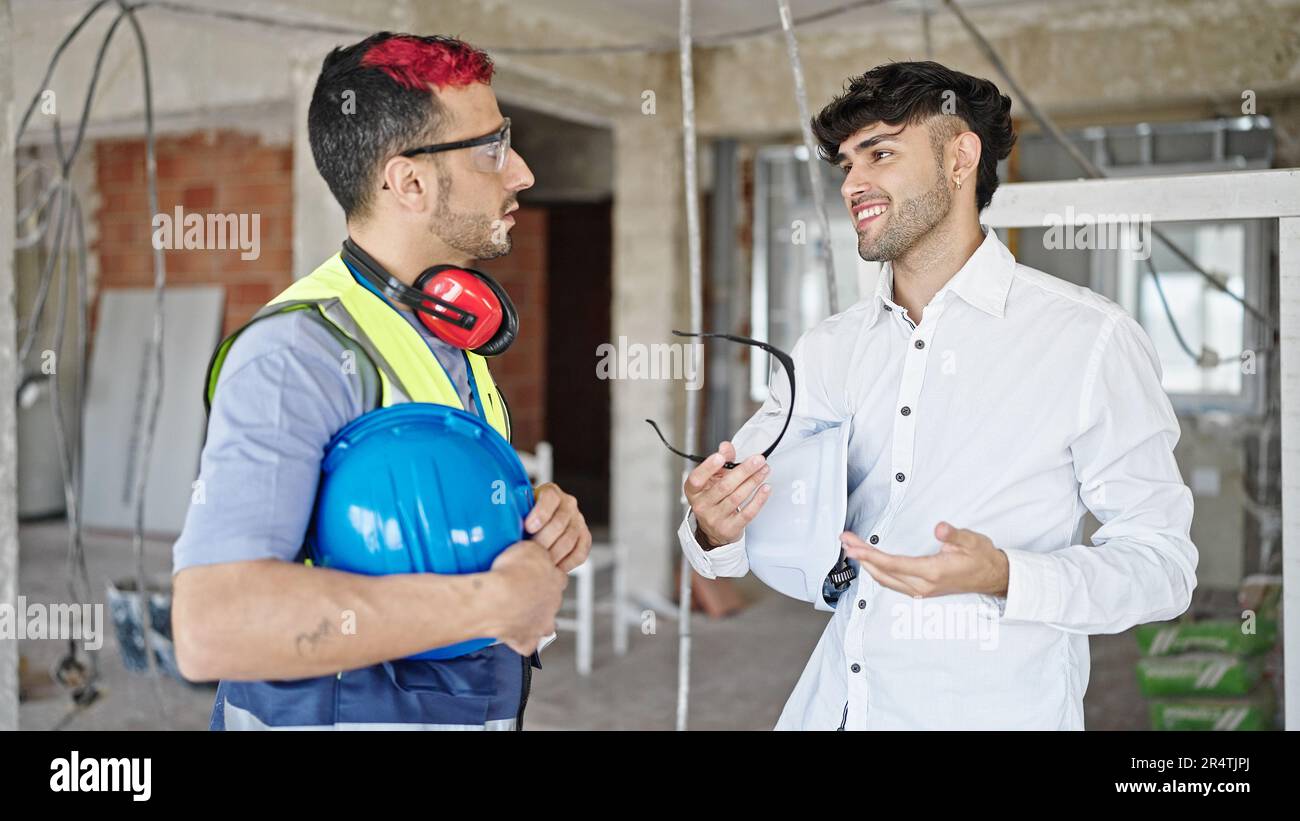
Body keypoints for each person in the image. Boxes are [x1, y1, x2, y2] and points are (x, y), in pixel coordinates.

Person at [679, 61, 1197, 730]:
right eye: (845, 164)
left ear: (960, 157)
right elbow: (730, 525)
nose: (852, 183)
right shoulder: (829, 349)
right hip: (835, 708)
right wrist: (714, 524)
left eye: (880, 153)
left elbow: (1162, 565)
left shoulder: (1089, 341)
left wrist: (1008, 574)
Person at [171, 32, 591, 730]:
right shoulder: (295, 353)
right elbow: (214, 624)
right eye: (492, 148)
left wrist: (530, 516)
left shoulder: (447, 333)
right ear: (409, 182)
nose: (520, 172)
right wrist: (493, 602)